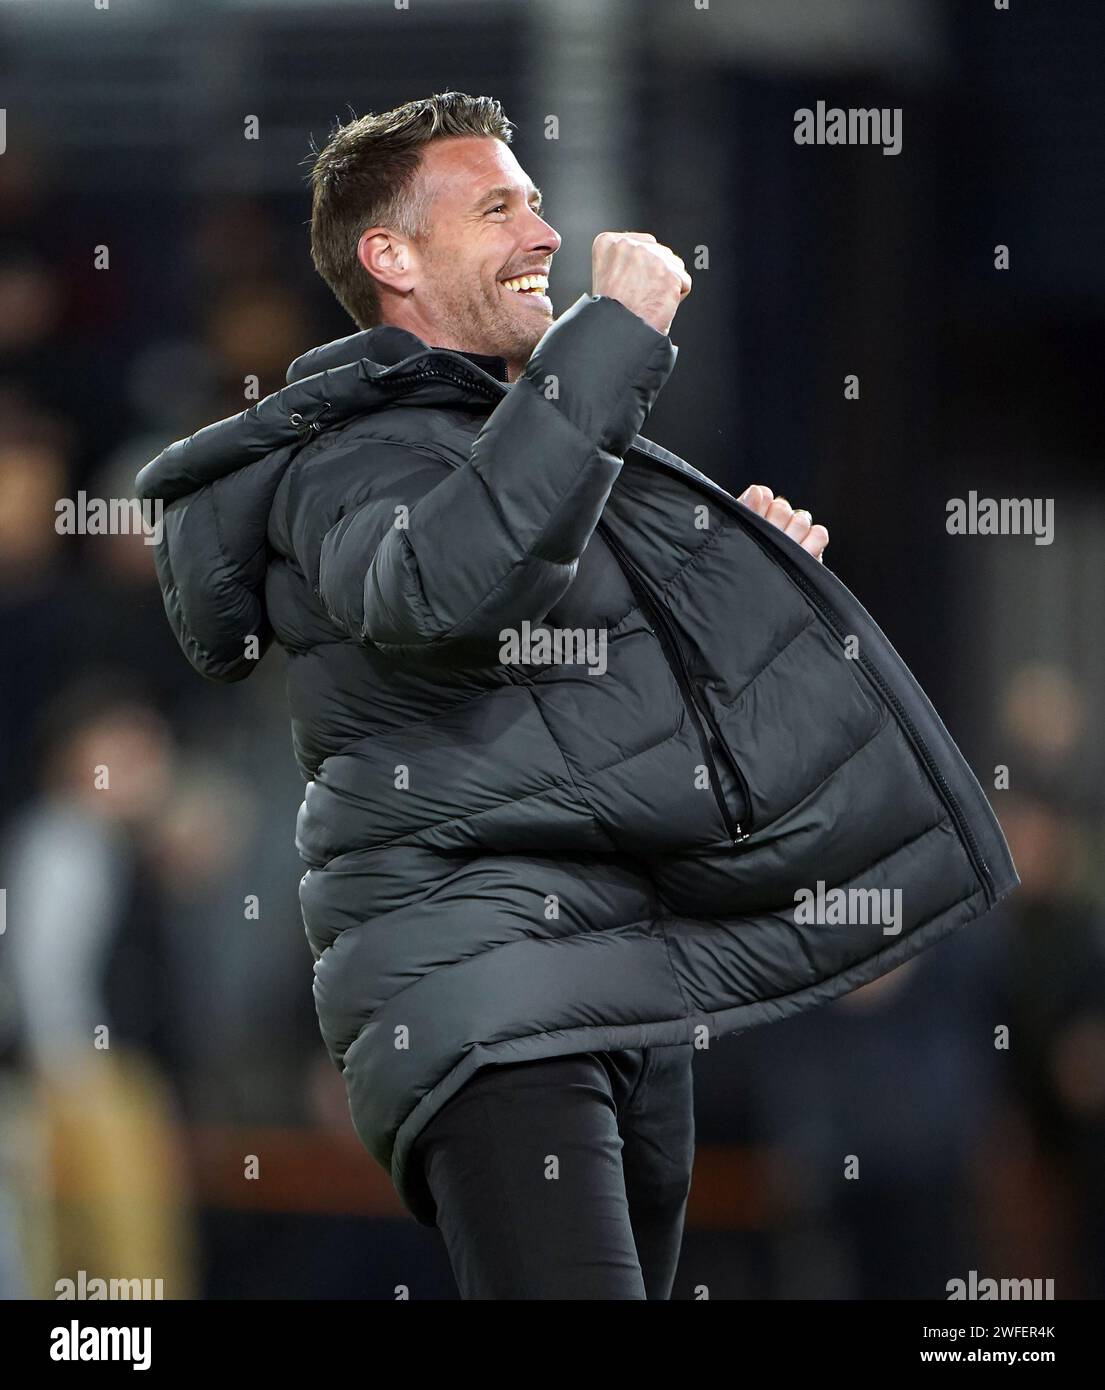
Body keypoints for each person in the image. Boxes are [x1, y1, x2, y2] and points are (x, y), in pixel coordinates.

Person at [135, 91, 1018, 1299]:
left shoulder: (512, 446)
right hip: (487, 993)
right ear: (389, 257)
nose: (544, 233)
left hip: (616, 993)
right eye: (497, 207)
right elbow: (441, 590)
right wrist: (612, 341)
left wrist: (737, 582)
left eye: (538, 202)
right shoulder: (346, 456)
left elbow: (592, 724)